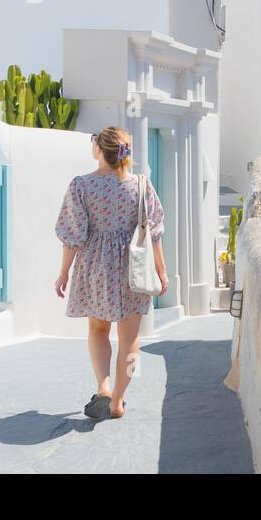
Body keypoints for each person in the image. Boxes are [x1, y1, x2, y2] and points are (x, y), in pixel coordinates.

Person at [55, 127, 167, 421]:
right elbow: (154, 233)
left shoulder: (81, 186)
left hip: (96, 267)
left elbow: (73, 236)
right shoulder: (141, 185)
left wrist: (63, 272)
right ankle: (118, 399)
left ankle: (103, 387)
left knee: (98, 329)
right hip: (135, 267)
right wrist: (162, 272)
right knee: (131, 340)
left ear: (98, 150)